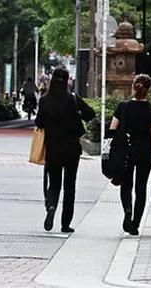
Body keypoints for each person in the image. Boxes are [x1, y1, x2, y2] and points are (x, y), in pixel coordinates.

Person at [35, 68, 95, 233]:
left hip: (53, 147)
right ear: (67, 80)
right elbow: (91, 114)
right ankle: (65, 223)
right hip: (72, 148)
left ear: (52, 80)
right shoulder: (73, 99)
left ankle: (52, 206)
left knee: (54, 183)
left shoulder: (44, 100)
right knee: (70, 186)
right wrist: (78, 114)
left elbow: (39, 123)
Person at [110, 74, 151, 236]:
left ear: (133, 87)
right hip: (144, 151)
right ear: (149, 90)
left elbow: (112, 128)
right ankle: (136, 223)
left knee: (126, 184)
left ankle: (127, 210)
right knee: (141, 187)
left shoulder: (123, 107)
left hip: (125, 150)